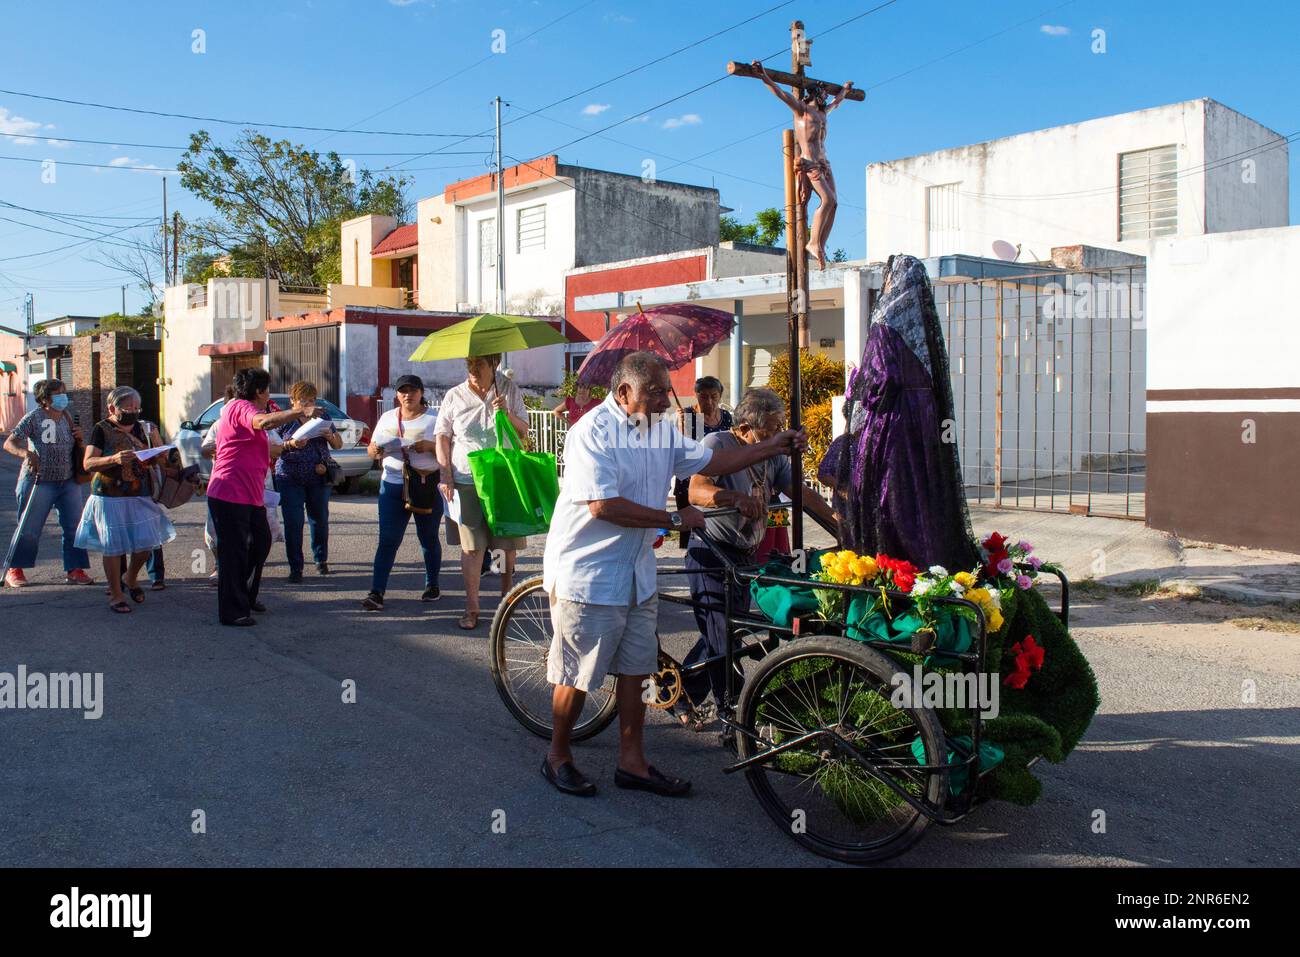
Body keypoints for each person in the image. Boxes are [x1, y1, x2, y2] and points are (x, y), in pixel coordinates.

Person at [539, 351, 807, 798]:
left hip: (637, 571)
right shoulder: (593, 432)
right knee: (577, 673)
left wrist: (772, 447)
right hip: (589, 571)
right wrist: (673, 520)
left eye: (667, 389)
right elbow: (603, 506)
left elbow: (709, 462)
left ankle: (632, 761)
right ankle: (558, 755)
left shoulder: (659, 431)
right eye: (657, 391)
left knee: (637, 669)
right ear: (624, 392)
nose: (667, 399)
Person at [683, 387, 837, 724]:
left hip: (743, 553)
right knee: (722, 632)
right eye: (768, 432)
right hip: (711, 552)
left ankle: (683, 691)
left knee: (725, 631)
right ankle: (732, 715)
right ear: (743, 429)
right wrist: (733, 499)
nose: (775, 438)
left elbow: (801, 494)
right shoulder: (718, 444)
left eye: (778, 429)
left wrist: (839, 526)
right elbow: (695, 489)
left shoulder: (773, 456)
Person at [823, 254, 982, 572]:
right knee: (919, 492)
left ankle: (895, 561)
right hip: (923, 420)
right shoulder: (922, 323)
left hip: (893, 421)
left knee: (890, 494)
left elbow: (883, 377)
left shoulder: (886, 317)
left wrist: (860, 396)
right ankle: (930, 561)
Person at [207, 368, 313, 626]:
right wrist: (299, 412)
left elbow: (270, 445)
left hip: (251, 494)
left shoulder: (250, 411)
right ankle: (233, 612)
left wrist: (291, 444)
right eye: (267, 389)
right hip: (230, 493)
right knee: (233, 553)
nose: (269, 395)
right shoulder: (240, 407)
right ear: (258, 391)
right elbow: (263, 423)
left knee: (262, 541)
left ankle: (245, 595)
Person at [435, 354, 529, 630]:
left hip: (503, 476)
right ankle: (472, 607)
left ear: (494, 365)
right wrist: (445, 475)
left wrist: (506, 414)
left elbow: (523, 432)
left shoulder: (509, 390)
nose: (473, 371)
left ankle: (505, 601)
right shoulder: (454, 395)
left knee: (504, 547)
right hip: (466, 477)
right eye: (469, 366)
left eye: (480, 366)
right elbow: (442, 436)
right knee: (472, 547)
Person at [75, 386, 178, 613]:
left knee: (147, 541)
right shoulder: (101, 429)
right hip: (109, 496)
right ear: (113, 408)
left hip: (139, 493)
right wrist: (113, 458)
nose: (133, 411)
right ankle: (116, 594)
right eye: (128, 407)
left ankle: (130, 577)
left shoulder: (143, 429)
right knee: (112, 546)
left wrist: (161, 457)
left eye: (136, 407)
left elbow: (156, 459)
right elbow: (88, 463)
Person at [361, 374, 443, 612]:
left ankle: (432, 585)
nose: (408, 395)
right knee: (387, 539)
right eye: (403, 391)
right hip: (393, 484)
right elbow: (371, 450)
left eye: (413, 390)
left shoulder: (434, 419)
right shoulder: (388, 417)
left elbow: (449, 451)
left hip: (425, 484)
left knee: (427, 537)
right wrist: (374, 449)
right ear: (397, 394)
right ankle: (377, 592)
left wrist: (429, 446)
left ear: (421, 392)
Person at [2, 378, 93, 587]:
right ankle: (15, 569)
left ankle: (75, 569)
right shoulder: (33, 417)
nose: (63, 396)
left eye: (63, 391)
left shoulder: (67, 417)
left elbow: (76, 446)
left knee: (73, 527)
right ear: (45, 399)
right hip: (39, 481)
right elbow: (10, 443)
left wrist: (80, 439)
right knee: (29, 528)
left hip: (68, 480)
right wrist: (25, 453)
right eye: (57, 393)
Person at [275, 380, 341, 582]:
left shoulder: (323, 416)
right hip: (289, 476)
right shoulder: (284, 420)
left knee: (319, 520)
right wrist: (291, 444)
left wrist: (329, 435)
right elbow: (273, 447)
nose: (309, 405)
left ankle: (321, 560)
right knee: (293, 523)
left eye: (312, 400)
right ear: (293, 401)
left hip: (318, 475)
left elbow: (338, 444)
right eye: (304, 401)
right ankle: (296, 567)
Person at [673, 375, 732, 547]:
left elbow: (730, 442)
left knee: (716, 524)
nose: (709, 401)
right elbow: (687, 448)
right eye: (703, 396)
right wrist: (682, 426)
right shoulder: (690, 415)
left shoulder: (726, 416)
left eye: (714, 396)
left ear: (720, 395)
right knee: (689, 525)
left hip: (718, 476)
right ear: (696, 395)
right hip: (691, 477)